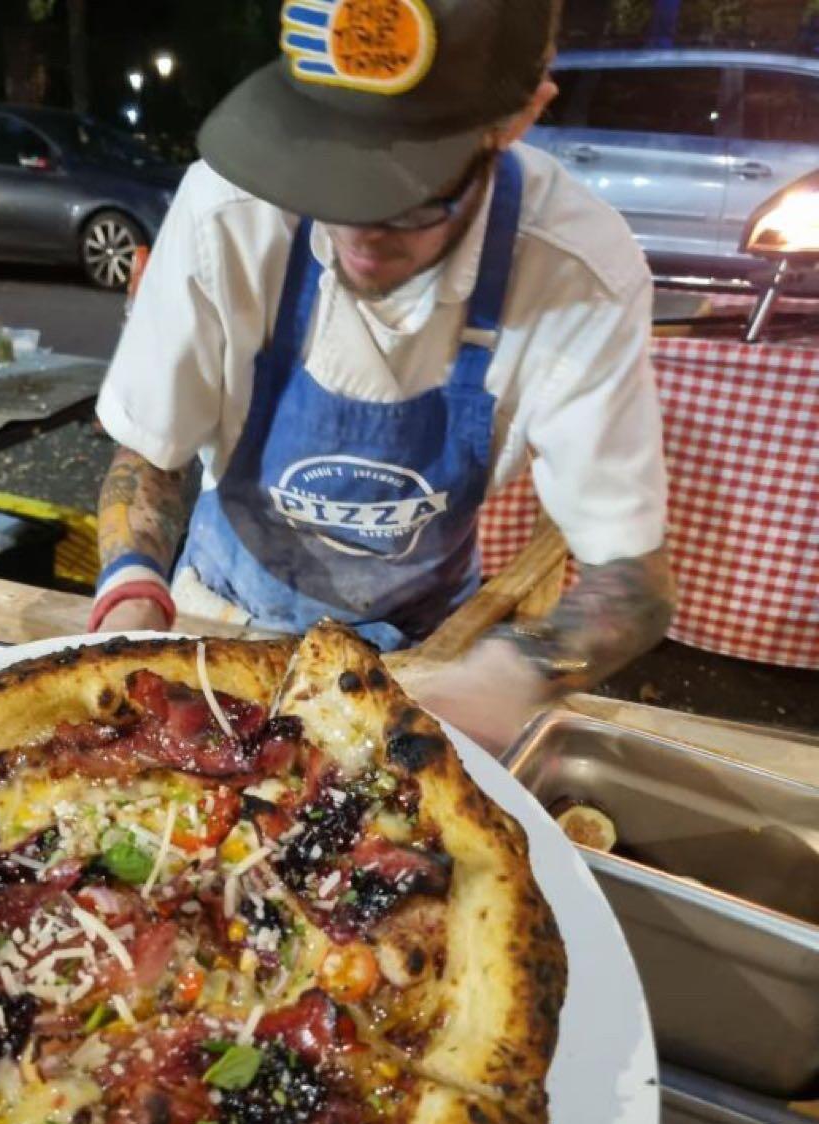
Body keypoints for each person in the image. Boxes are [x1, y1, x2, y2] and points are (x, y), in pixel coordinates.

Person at [88, 0, 674, 753]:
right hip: (220, 615)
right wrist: (130, 597)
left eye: (408, 196)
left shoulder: (577, 271)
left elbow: (635, 582)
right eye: (325, 182)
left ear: (520, 118)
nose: (358, 233)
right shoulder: (229, 210)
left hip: (423, 655)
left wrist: (503, 678)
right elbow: (151, 451)